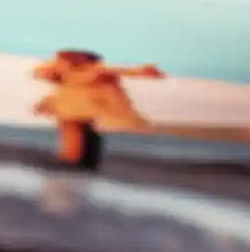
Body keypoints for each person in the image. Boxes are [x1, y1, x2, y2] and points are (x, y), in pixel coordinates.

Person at [32, 50, 164, 170]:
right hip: (75, 110)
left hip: (78, 111)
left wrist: (141, 71)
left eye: (62, 60)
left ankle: (72, 160)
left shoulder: (90, 72)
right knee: (82, 133)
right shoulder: (69, 76)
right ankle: (84, 161)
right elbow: (50, 79)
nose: (59, 63)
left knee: (74, 132)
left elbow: (117, 71)